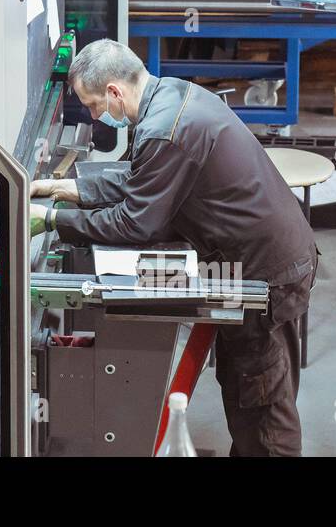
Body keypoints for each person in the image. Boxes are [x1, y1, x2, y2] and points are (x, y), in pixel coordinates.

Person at [30, 39, 317, 457]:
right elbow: (140, 179)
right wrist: (66, 188)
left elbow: (136, 221)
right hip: (249, 263)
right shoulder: (172, 96)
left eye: (93, 105)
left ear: (114, 91)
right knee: (241, 388)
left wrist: (53, 220)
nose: (95, 116)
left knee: (264, 402)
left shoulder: (166, 130)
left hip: (266, 275)